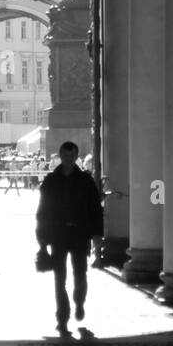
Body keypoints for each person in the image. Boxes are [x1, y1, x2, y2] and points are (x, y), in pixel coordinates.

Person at [36, 140, 104, 335]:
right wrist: (41, 236)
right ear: (60, 156)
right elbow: (43, 210)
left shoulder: (85, 180)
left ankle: (79, 301)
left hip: (80, 234)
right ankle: (62, 317)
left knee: (80, 274)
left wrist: (97, 233)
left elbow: (95, 208)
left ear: (76, 157)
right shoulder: (51, 180)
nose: (68, 160)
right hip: (58, 235)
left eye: (72, 156)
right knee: (60, 278)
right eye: (65, 156)